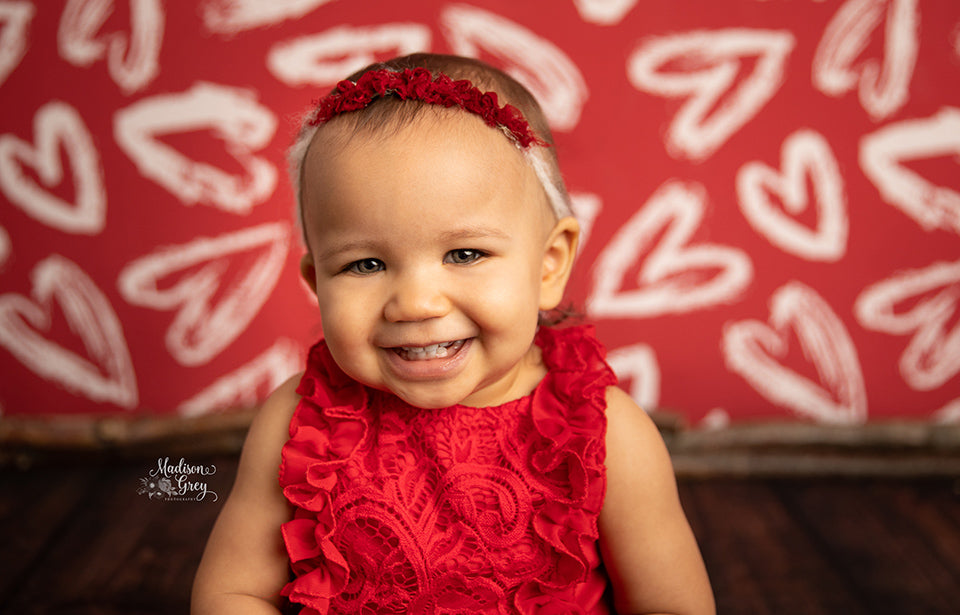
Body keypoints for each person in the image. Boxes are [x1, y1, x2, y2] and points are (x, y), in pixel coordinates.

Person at [192, 53, 714, 615]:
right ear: (317, 281)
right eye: (365, 264)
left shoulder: (606, 439)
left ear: (548, 266)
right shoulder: (298, 428)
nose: (416, 303)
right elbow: (233, 592)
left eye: (464, 253)